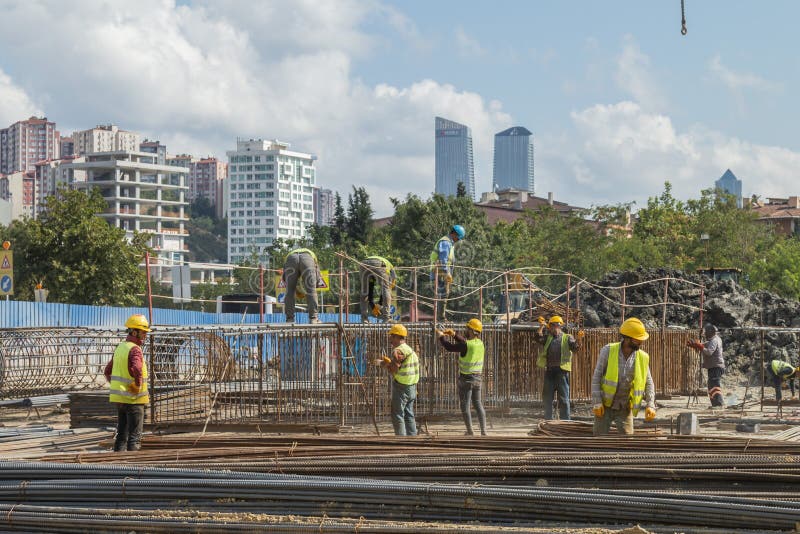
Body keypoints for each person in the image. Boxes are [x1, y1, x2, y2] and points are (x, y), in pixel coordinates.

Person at [591, 317, 656, 436]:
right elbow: (596, 377)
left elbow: (649, 383)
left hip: (624, 408)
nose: (641, 342)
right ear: (627, 338)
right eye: (638, 339)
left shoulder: (642, 357)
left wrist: (650, 405)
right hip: (605, 406)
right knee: (599, 440)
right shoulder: (608, 351)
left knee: (627, 442)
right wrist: (597, 402)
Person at [104, 314, 150, 452]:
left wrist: (116, 385)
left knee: (122, 435)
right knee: (135, 437)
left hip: (120, 399)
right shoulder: (135, 349)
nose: (145, 335)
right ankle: (132, 468)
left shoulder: (120, 347)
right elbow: (136, 368)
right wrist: (137, 384)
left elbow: (107, 371)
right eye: (143, 332)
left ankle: (118, 466)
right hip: (134, 399)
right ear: (134, 332)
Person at [437, 318, 487, 436]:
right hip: (478, 379)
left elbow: (449, 347)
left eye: (468, 328)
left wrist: (441, 337)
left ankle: (470, 431)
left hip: (466, 379)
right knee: (478, 404)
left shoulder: (466, 345)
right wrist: (454, 334)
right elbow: (464, 341)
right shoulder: (480, 343)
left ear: (473, 331)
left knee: (465, 406)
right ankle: (484, 430)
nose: (466, 330)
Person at [534, 315, 582, 420]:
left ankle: (565, 421)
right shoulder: (548, 338)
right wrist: (541, 326)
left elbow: (575, 349)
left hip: (562, 372)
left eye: (556, 326)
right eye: (552, 326)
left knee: (564, 399)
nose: (554, 328)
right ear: (550, 327)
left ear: (560, 326)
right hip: (550, 371)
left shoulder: (567, 337)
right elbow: (538, 338)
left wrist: (578, 339)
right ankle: (548, 420)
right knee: (547, 398)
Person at [375, 324, 419, 436]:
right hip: (412, 387)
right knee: (409, 414)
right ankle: (413, 438)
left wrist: (383, 364)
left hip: (402, 387)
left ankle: (401, 439)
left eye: (392, 336)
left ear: (397, 337)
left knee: (398, 414)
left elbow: (394, 369)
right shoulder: (410, 350)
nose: (390, 339)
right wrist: (388, 362)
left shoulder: (398, 351)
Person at [429, 225, 465, 319]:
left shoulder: (450, 243)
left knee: (443, 294)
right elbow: (443, 259)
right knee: (443, 294)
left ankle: (440, 317)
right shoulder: (446, 242)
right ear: (454, 234)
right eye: (458, 237)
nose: (458, 240)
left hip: (442, 272)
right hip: (440, 272)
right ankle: (440, 318)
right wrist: (447, 272)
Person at [687, 324, 725, 407]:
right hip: (713, 366)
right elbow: (705, 344)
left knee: (714, 384)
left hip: (716, 366)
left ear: (710, 332)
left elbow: (709, 352)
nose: (705, 334)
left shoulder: (715, 340)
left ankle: (719, 404)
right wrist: (696, 345)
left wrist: (700, 346)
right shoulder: (713, 339)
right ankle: (715, 404)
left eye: (706, 332)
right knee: (711, 385)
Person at [283, 247, 321, 324]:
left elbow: (284, 279)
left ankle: (290, 319)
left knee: (289, 291)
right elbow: (318, 279)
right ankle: (313, 318)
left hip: (291, 259)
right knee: (311, 290)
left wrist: (294, 288)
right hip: (308, 259)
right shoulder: (312, 256)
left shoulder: (289, 255)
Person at [360, 255, 397, 323]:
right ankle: (386, 317)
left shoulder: (372, 277)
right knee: (386, 289)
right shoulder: (391, 272)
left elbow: (369, 293)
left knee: (364, 291)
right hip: (378, 263)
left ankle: (364, 318)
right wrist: (378, 306)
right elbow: (386, 290)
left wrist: (375, 306)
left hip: (364, 263)